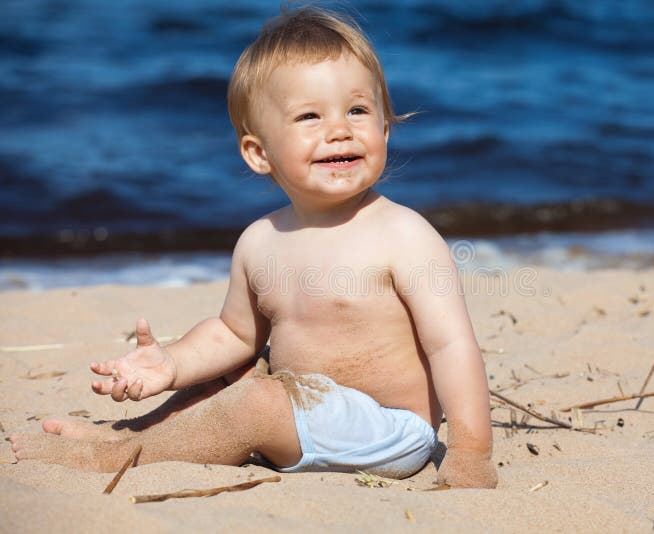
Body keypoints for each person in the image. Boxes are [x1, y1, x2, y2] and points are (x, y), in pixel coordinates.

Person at [9, 6, 497, 489]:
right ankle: (132, 434)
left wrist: (471, 452)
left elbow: (451, 345)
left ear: (385, 128)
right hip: (296, 411)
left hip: (387, 430)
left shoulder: (404, 234)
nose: (339, 129)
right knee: (239, 372)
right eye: (310, 115)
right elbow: (232, 335)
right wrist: (173, 363)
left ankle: (114, 459)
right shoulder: (261, 240)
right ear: (259, 153)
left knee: (254, 402)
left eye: (358, 110)